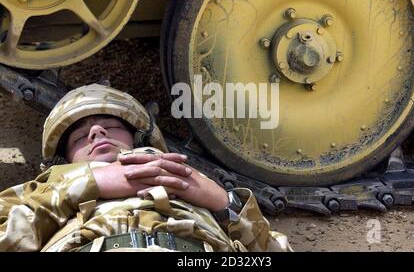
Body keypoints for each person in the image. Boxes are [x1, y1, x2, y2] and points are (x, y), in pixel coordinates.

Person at [0, 84, 292, 252]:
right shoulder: (39, 195)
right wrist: (88, 183)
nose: (97, 133)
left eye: (112, 126)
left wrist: (225, 205)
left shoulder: (189, 182)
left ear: (140, 139)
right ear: (63, 162)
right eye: (79, 136)